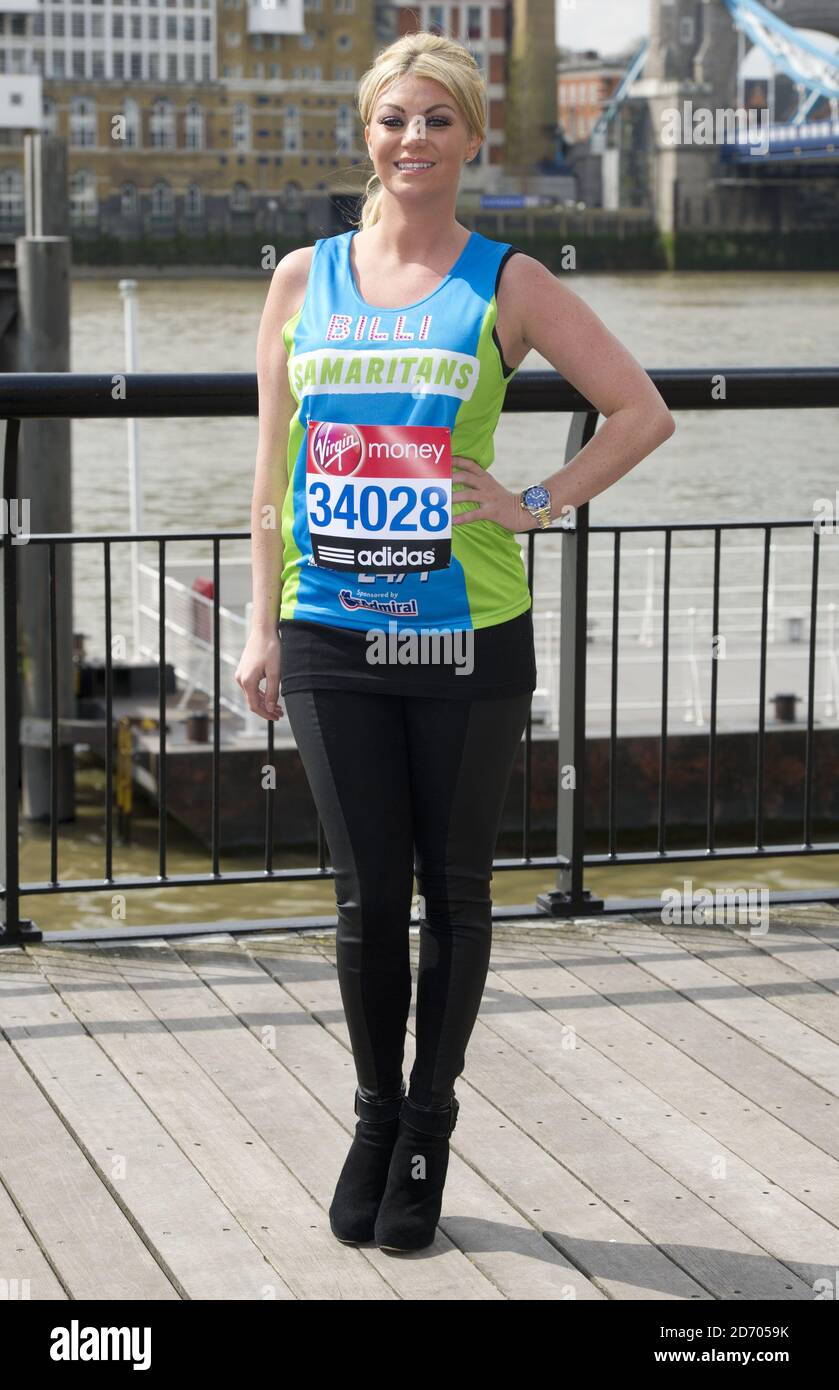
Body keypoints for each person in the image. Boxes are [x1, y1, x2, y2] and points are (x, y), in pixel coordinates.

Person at [235, 29, 676, 1255]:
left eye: (437, 119)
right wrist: (262, 622)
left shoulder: (507, 281)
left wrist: (533, 499)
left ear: (472, 138)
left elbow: (639, 412)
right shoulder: (301, 279)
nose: (413, 139)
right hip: (328, 626)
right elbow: (270, 468)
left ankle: (429, 1124)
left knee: (455, 889)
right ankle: (374, 1117)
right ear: (365, 134)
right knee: (367, 894)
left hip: (466, 631)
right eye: (394, 118)